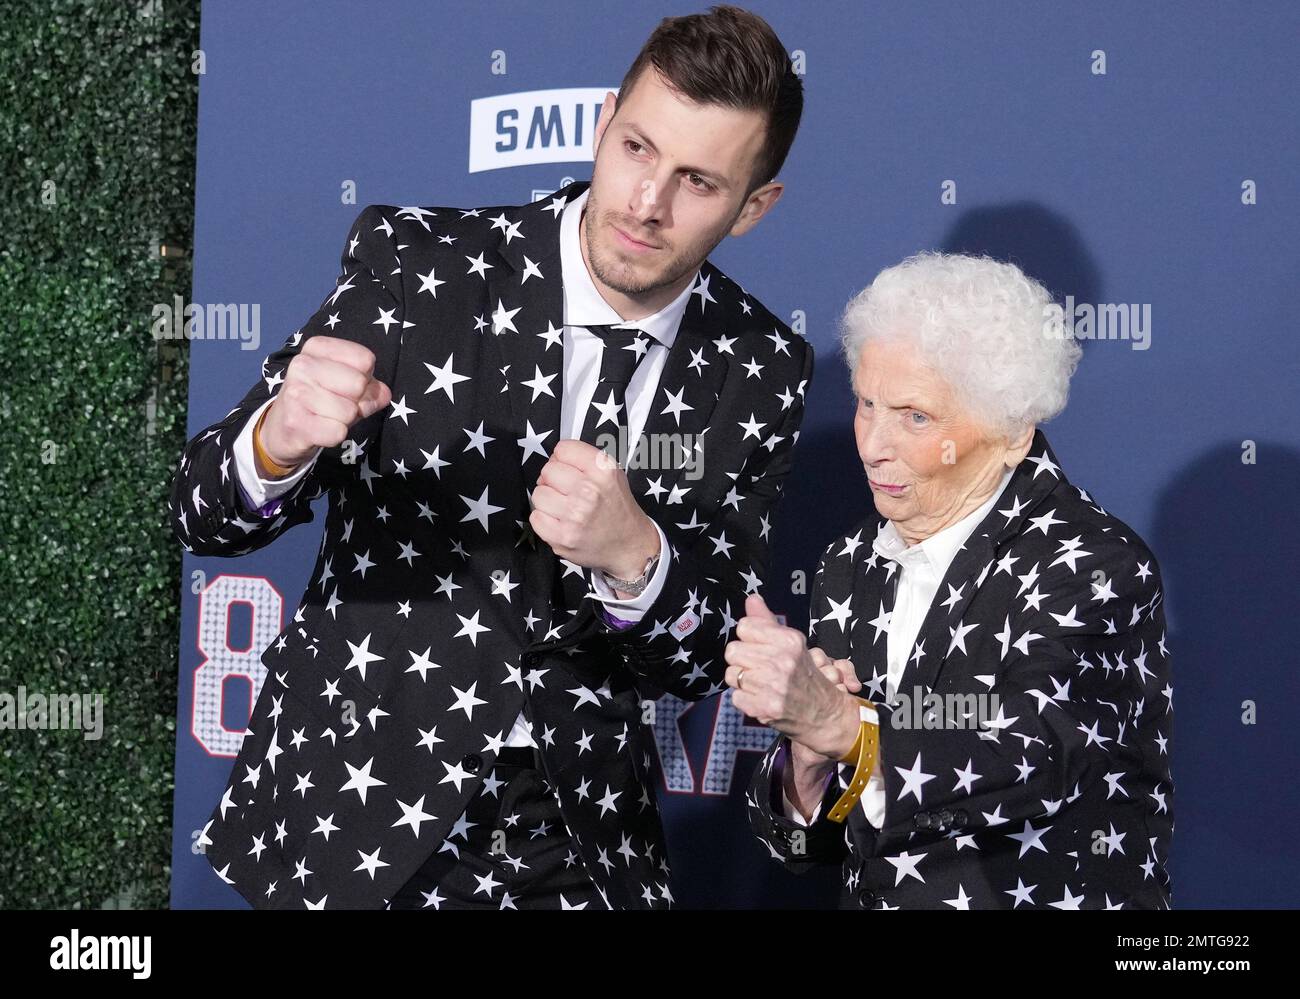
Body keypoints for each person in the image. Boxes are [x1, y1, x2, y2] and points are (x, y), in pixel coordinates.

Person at [170, 5, 810, 909]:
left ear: (753, 207)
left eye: (698, 182)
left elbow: (703, 658)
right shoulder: (417, 261)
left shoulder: (762, 365)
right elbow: (199, 512)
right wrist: (275, 442)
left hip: (578, 833)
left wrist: (637, 559)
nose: (646, 203)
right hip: (357, 801)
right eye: (635, 149)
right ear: (603, 125)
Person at [728, 252, 1173, 909]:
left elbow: (1037, 755)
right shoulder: (850, 563)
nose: (873, 443)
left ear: (1012, 431)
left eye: (915, 417)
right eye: (866, 403)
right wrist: (806, 760)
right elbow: (806, 848)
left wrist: (844, 723)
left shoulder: (1097, 562)